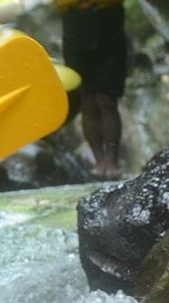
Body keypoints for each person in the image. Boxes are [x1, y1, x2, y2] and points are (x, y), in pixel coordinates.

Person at [56, 0, 128, 180]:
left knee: (107, 99)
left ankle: (112, 162)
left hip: (107, 20)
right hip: (75, 24)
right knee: (87, 101)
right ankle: (100, 161)